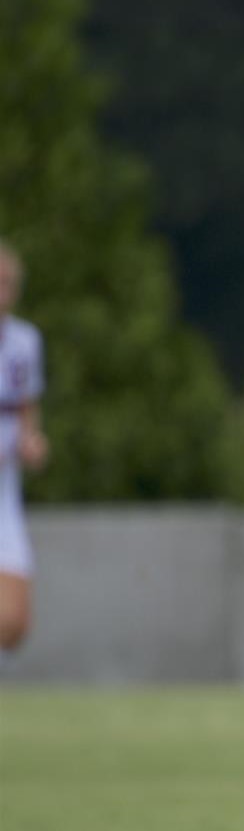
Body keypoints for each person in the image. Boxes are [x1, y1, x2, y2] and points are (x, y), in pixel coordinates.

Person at [0, 239, 50, 655]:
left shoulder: (24, 341)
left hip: (5, 489)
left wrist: (32, 442)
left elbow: (26, 412)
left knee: (15, 623)